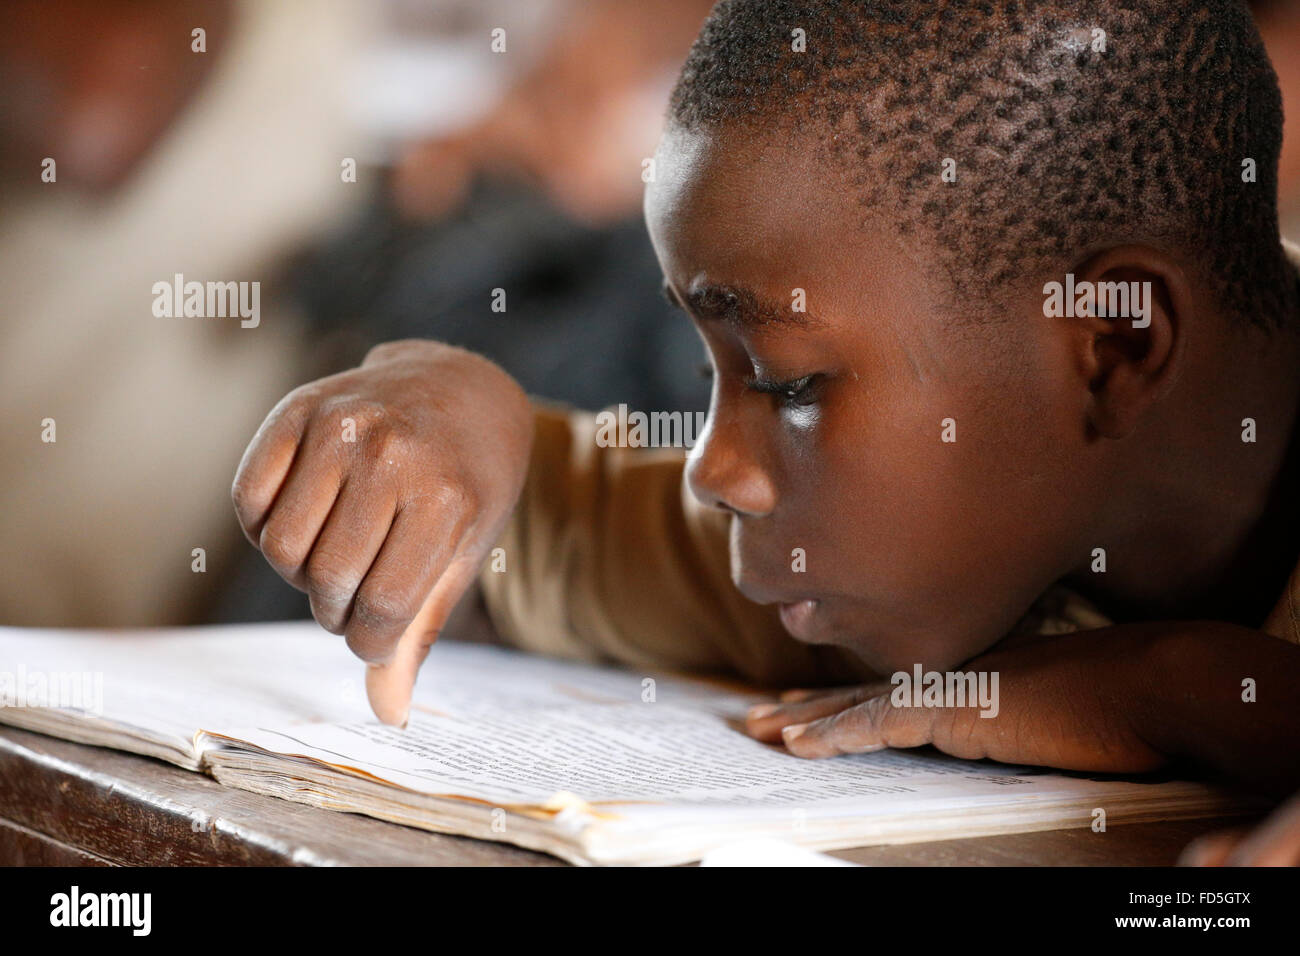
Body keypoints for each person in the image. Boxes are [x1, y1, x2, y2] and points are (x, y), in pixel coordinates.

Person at [232, 0, 1300, 835]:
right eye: (712, 373)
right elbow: (532, 516)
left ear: (1113, 345)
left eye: (788, 384)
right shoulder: (888, 552)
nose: (714, 469)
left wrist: (1200, 694)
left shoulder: (916, 536)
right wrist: (462, 401)